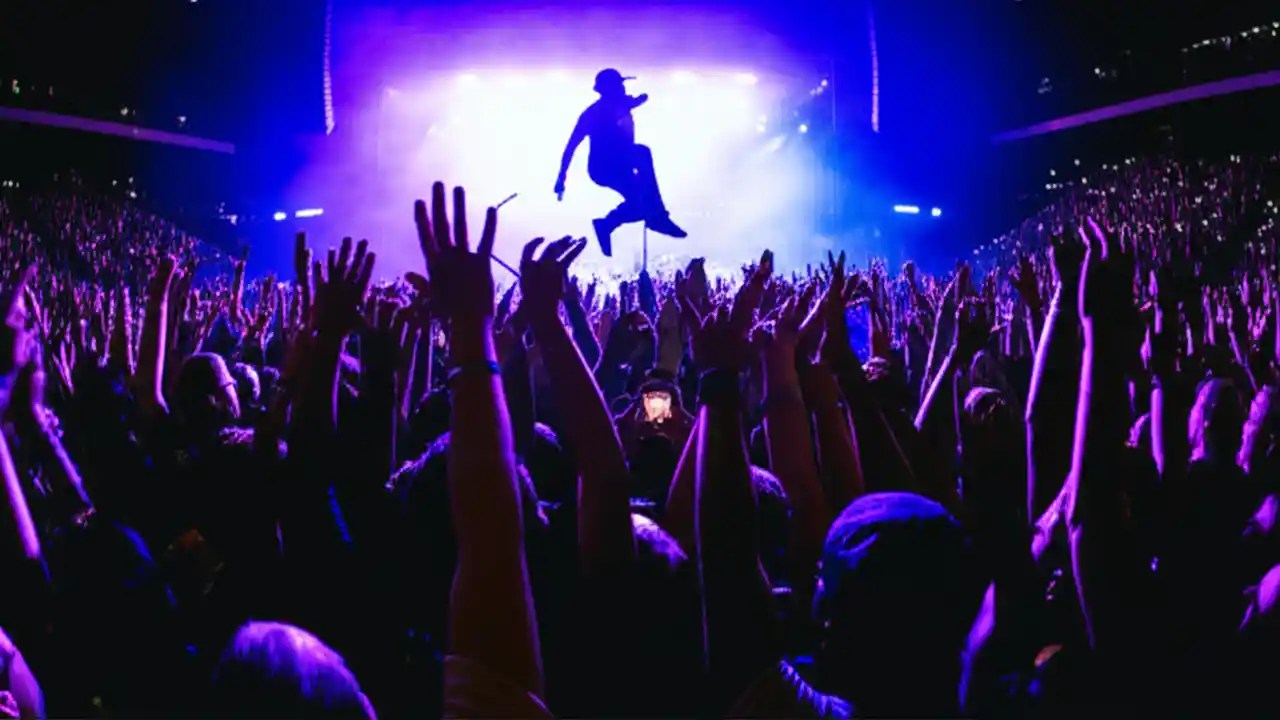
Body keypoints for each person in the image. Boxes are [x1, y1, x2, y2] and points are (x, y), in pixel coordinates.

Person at [554, 68, 688, 257]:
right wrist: (561, 177)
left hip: (620, 165)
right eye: (619, 85)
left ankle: (607, 224)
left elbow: (639, 99)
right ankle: (657, 218)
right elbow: (571, 146)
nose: (623, 88)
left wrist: (635, 100)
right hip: (605, 167)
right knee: (642, 153)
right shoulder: (594, 113)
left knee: (641, 205)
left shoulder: (618, 105)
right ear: (610, 89)